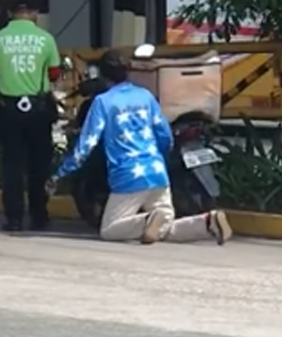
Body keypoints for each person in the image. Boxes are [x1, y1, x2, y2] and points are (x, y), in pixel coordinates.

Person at [49, 49, 233, 245]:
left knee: (110, 229)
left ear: (102, 75)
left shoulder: (103, 102)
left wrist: (59, 174)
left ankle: (149, 219)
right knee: (163, 229)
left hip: (127, 176)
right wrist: (160, 159)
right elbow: (164, 135)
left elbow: (86, 145)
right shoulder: (145, 96)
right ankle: (207, 223)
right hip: (157, 173)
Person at [0, 0, 62, 232]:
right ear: (35, 13)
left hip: (8, 109)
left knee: (12, 165)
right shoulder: (46, 39)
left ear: (9, 12)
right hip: (39, 109)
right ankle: (39, 215)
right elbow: (55, 73)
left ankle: (14, 218)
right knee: (39, 164)